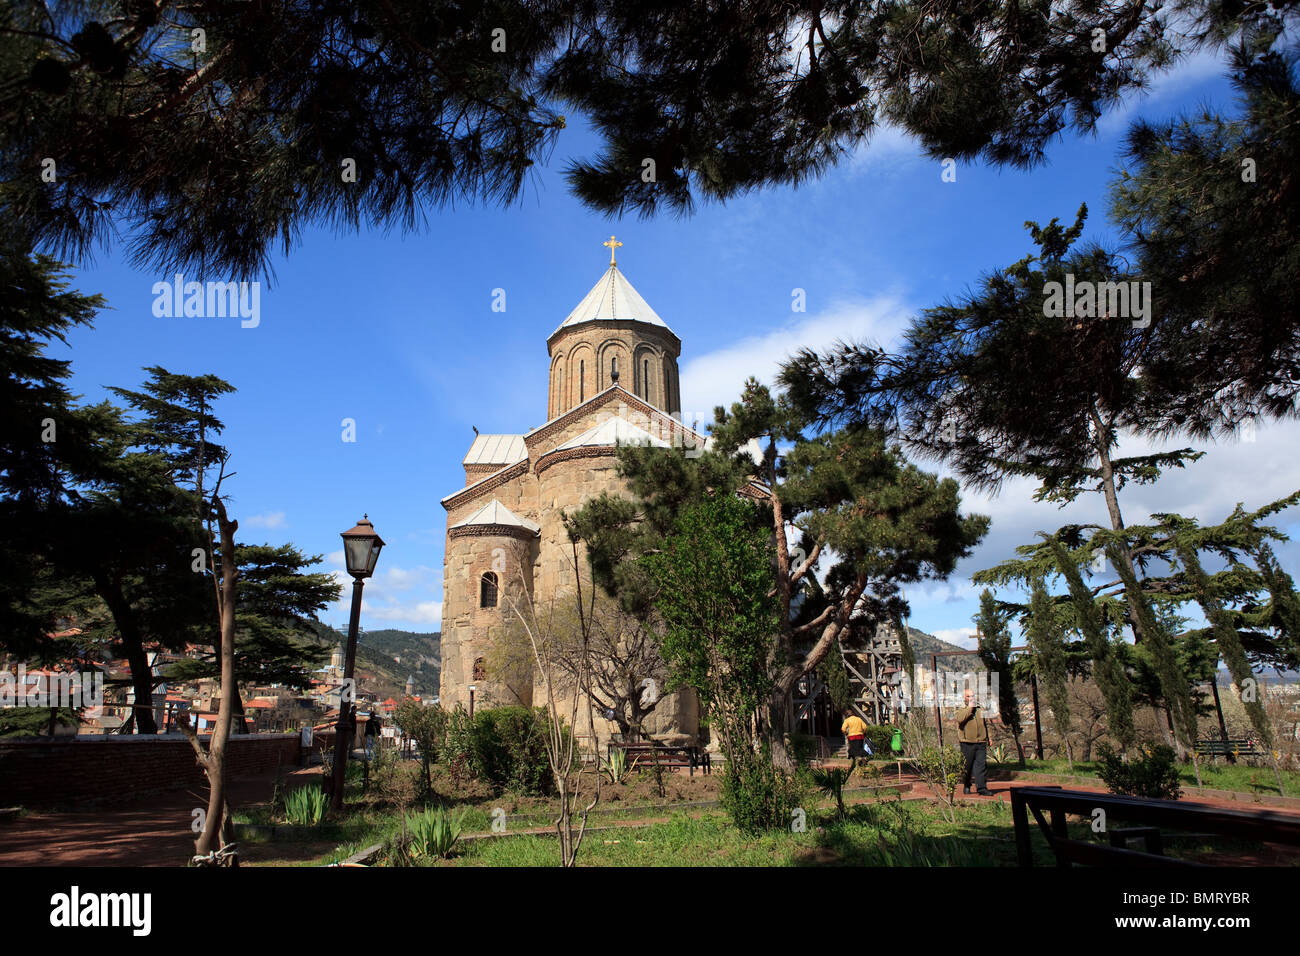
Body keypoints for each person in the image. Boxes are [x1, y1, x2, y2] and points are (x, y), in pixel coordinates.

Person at [956, 688, 993, 796]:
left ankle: (982, 788)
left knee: (981, 766)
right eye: (968, 696)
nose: (971, 698)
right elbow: (960, 719)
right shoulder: (960, 709)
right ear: (964, 698)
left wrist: (989, 737)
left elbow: (987, 724)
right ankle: (967, 784)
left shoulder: (980, 708)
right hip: (967, 742)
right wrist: (970, 709)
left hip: (981, 741)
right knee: (967, 766)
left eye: (973, 696)